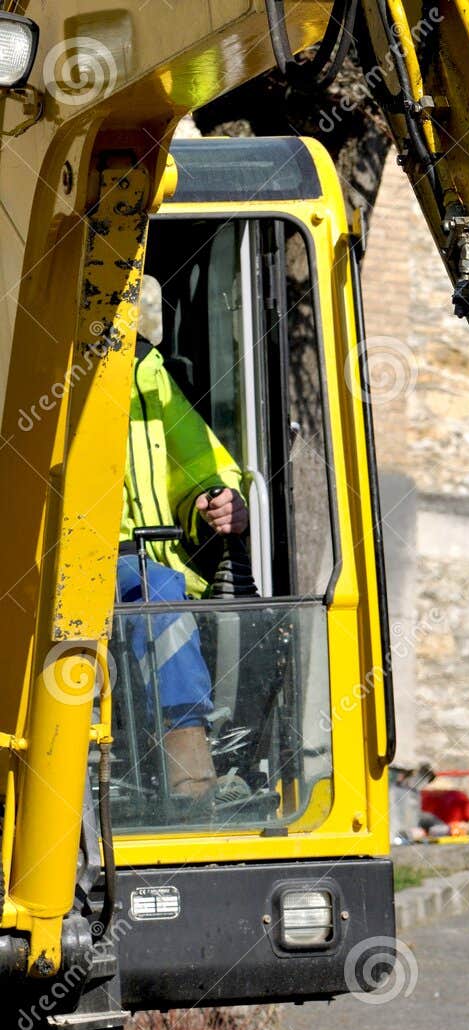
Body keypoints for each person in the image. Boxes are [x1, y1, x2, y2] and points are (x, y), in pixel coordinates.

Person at [119, 279, 251, 803]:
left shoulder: (147, 374)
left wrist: (217, 497)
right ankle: (192, 778)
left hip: (150, 560)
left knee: (165, 594)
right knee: (161, 601)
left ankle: (195, 762)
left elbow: (199, 460)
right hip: (74, 565)